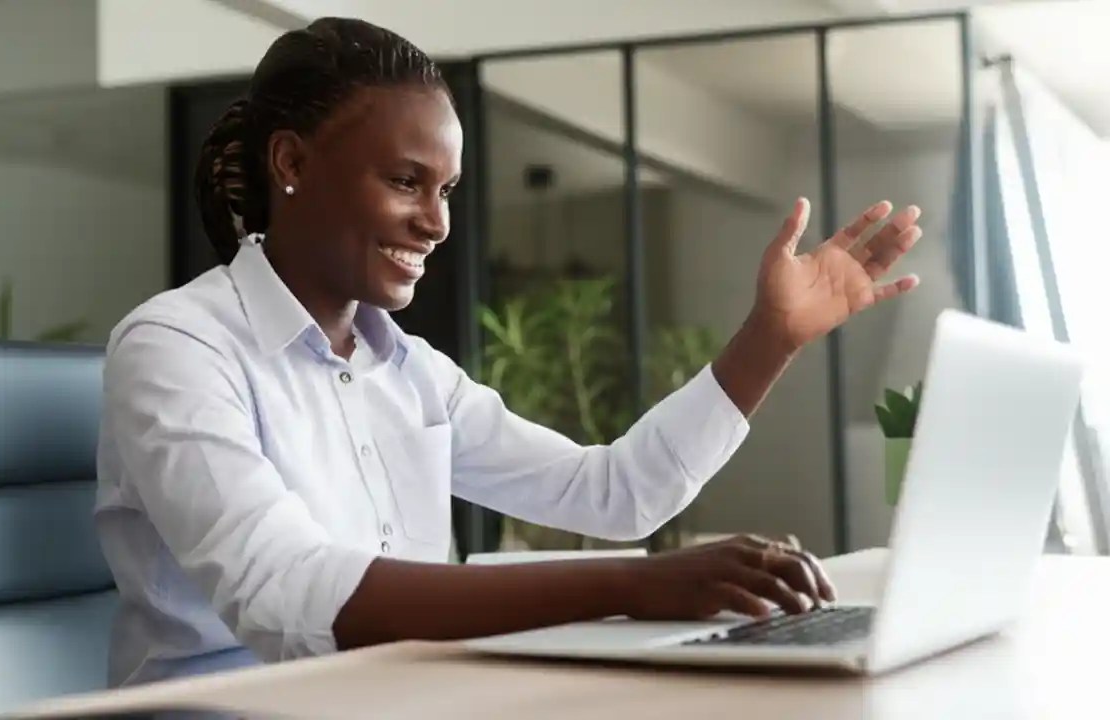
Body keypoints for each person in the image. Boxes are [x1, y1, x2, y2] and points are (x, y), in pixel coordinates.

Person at [94, 17, 924, 688]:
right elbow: (292, 594)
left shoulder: (409, 371)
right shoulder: (176, 348)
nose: (437, 223)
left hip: (398, 697)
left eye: (446, 190)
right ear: (293, 162)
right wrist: (636, 586)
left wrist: (769, 338)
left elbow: (613, 492)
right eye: (406, 181)